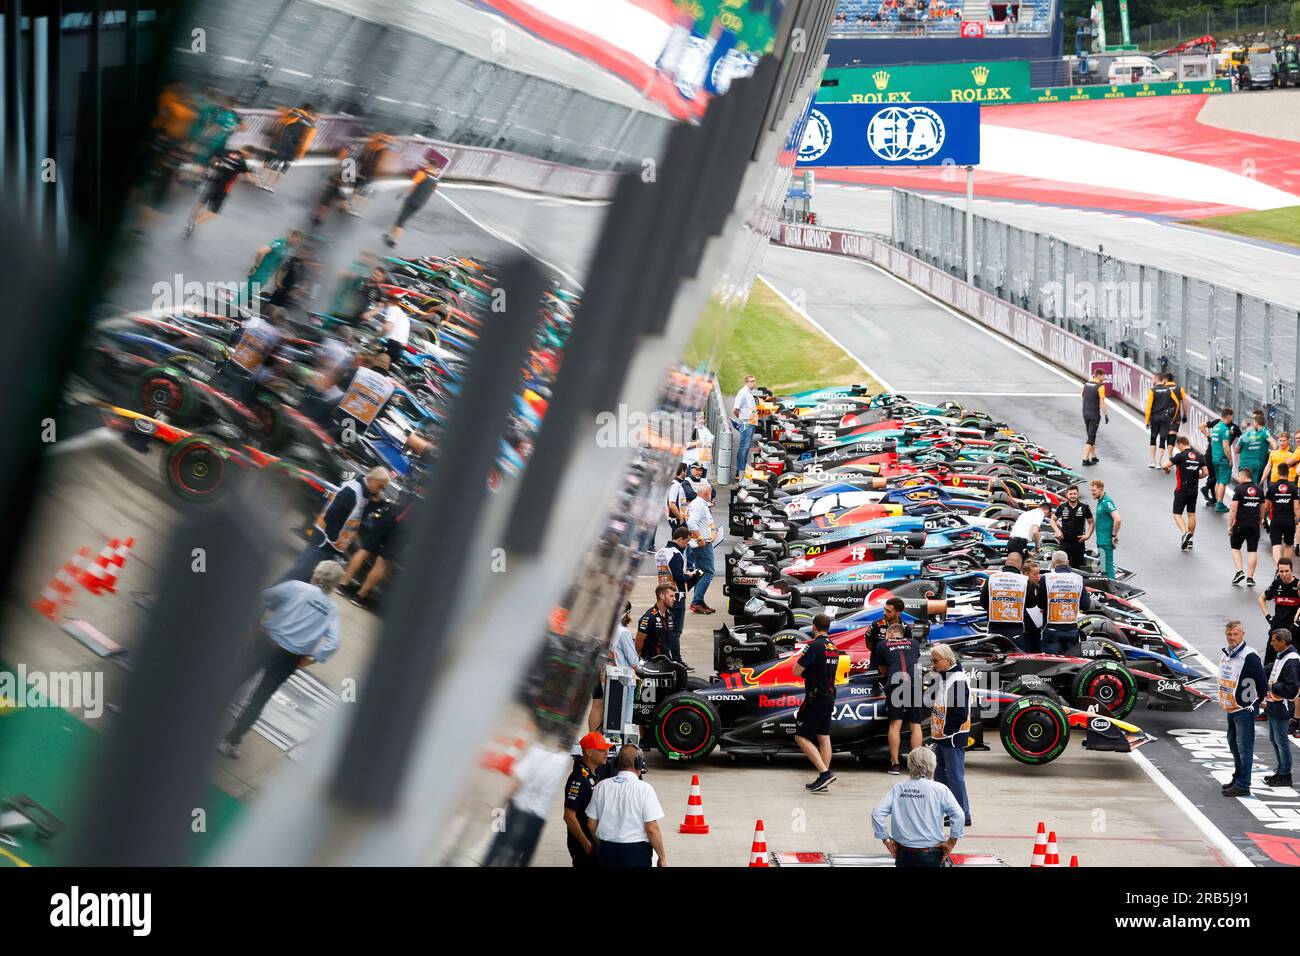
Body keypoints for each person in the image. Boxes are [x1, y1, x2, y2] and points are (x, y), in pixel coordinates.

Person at [218, 560, 344, 758]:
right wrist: (312, 659)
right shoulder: (331, 610)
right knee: (259, 699)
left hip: (266, 643)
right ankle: (231, 741)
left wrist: (254, 625)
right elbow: (334, 642)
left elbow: (263, 598)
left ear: (316, 573)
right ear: (335, 584)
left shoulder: (296, 588)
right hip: (290, 658)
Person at [279, 466, 390, 584]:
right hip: (325, 541)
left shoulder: (365, 495)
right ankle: (269, 597)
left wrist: (375, 503)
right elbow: (331, 515)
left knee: (310, 580)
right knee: (299, 573)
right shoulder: (352, 491)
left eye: (383, 488)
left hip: (334, 545)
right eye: (380, 486)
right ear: (372, 479)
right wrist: (333, 539)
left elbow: (360, 518)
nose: (380, 491)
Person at [481, 742, 573, 867]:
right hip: (538, 818)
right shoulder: (564, 762)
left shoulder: (536, 752)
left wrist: (500, 806)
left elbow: (516, 784)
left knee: (498, 846)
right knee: (523, 857)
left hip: (518, 810)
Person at [871, 747, 965, 868]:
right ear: (933, 765)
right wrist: (951, 843)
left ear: (910, 764)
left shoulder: (899, 788)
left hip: (903, 854)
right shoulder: (940, 790)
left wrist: (887, 840)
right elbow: (959, 816)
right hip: (931, 854)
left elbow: (877, 813)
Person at [585, 745, 667, 867]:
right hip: (636, 852)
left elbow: (591, 824)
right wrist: (662, 857)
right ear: (639, 763)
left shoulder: (601, 786)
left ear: (617, 763)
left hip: (607, 850)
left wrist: (603, 844)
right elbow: (652, 828)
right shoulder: (644, 789)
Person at [792, 614, 841, 793]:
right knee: (823, 736)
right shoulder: (833, 647)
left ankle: (824, 773)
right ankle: (823, 779)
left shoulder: (814, 645)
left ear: (814, 627)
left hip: (815, 697)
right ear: (828, 627)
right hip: (830, 696)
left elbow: (796, 671)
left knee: (800, 736)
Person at [1217, 620, 1266, 797]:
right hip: (1231, 708)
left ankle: (1244, 784)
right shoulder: (1227, 653)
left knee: (1245, 748)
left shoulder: (1249, 656)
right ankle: (1238, 777)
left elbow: (1261, 680)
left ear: (1243, 635)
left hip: (1244, 709)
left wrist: (1259, 701)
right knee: (1233, 744)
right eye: (1229, 634)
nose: (1232, 637)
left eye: (1235, 634)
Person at [928, 642, 972, 827]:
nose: (933, 664)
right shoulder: (946, 677)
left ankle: (963, 814)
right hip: (942, 737)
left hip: (952, 737)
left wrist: (947, 730)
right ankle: (950, 810)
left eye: (935, 661)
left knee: (955, 777)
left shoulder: (958, 680)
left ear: (947, 661)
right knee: (939, 774)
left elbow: (960, 713)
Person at [878, 623, 924, 775]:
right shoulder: (914, 643)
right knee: (915, 725)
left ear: (890, 634)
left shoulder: (882, 645)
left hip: (896, 683)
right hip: (914, 683)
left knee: (895, 724)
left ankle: (895, 764)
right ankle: (917, 766)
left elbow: (883, 670)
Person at [563, 732, 613, 866]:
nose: (606, 752)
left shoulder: (594, 772)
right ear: (589, 752)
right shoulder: (578, 779)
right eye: (602, 750)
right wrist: (585, 843)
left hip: (594, 839)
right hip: (584, 844)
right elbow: (569, 816)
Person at [183, 145, 255, 238]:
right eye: (251, 155)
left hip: (212, 181)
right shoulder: (242, 162)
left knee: (200, 203)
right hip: (223, 188)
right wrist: (255, 180)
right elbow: (247, 178)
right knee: (212, 214)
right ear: (248, 152)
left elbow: (214, 159)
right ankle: (193, 223)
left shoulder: (227, 152)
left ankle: (189, 221)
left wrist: (213, 168)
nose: (250, 157)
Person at [654, 526, 698, 665]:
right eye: (686, 542)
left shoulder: (661, 552)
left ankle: (665, 658)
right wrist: (690, 575)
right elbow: (679, 576)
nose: (686, 545)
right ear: (680, 539)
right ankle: (677, 661)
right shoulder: (676, 554)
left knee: (665, 629)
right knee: (675, 632)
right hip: (676, 596)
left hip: (662, 594)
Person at [1263, 630, 1299, 788]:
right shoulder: (1282, 655)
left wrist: (1273, 687)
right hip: (1274, 705)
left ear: (1283, 642)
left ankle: (1285, 774)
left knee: (1281, 740)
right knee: (1274, 739)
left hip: (1282, 706)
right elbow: (1271, 669)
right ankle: (1280, 770)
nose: (1272, 643)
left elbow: (1292, 687)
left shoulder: (1291, 660)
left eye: (1274, 640)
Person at [258, 103, 317, 192]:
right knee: (284, 168)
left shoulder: (294, 112)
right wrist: (300, 154)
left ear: (303, 108)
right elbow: (306, 141)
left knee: (275, 163)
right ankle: (271, 186)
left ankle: (263, 182)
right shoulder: (312, 123)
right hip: (295, 148)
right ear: (310, 112)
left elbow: (281, 113)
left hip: (283, 142)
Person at [1042, 551, 1091, 655]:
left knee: (1051, 665)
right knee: (1070, 665)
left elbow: (1040, 603)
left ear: (1053, 563)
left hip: (1051, 628)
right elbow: (1086, 605)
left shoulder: (1046, 578)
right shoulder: (1078, 578)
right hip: (1071, 629)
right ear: (1067, 562)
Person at [383, 158, 441, 247]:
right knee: (402, 218)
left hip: (411, 200)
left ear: (430, 165)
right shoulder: (436, 180)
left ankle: (393, 241)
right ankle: (388, 235)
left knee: (401, 220)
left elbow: (412, 186)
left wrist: (402, 193)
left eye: (427, 164)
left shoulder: (422, 174)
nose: (425, 165)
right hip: (421, 203)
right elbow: (433, 191)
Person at [1164, 435, 1208, 551]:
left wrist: (1167, 470)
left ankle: (1185, 534)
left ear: (1181, 444)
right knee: (1191, 515)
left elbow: (1165, 465)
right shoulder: (1199, 455)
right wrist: (1197, 477)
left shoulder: (1180, 455)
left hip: (1181, 488)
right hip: (1194, 489)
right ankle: (1190, 540)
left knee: (1177, 514)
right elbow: (1206, 472)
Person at [978, 551, 1029, 650]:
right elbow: (1031, 603)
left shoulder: (992, 578)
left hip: (994, 628)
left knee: (995, 659)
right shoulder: (1024, 580)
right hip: (1016, 628)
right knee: (1018, 660)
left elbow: (983, 603)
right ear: (1020, 565)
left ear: (1006, 562)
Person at [1227, 465, 1264, 588]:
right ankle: (1250, 578)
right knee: (1252, 551)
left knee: (1235, 547)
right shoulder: (1259, 490)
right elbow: (1262, 509)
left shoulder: (1239, 489)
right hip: (1254, 525)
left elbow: (1233, 508)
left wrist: (1229, 525)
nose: (1238, 478)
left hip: (1240, 525)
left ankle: (1239, 571)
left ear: (1243, 476)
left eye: (1239, 476)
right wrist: (1260, 521)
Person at [1259, 558, 1300, 669]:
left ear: (1292, 570)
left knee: (1292, 666)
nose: (1284, 574)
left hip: (1292, 632)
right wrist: (1268, 617)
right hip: (1276, 630)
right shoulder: (1277, 583)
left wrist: (1297, 621)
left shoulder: (1298, 585)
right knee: (1268, 665)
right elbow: (1261, 599)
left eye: (1287, 571)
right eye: (1281, 571)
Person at [686, 480, 719, 614]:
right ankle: (696, 602)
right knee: (708, 573)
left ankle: (699, 600)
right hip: (702, 544)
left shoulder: (698, 503)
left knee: (700, 572)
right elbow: (692, 523)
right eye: (710, 492)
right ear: (707, 493)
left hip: (698, 544)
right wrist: (700, 538)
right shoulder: (699, 505)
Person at [246, 229, 303, 306]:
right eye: (297, 241)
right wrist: (256, 267)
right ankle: (231, 314)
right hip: (259, 275)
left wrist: (277, 280)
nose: (297, 244)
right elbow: (261, 251)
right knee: (244, 298)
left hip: (264, 277)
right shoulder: (280, 243)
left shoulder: (286, 248)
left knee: (247, 298)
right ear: (293, 236)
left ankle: (234, 314)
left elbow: (279, 265)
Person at [865, 597, 912, 680]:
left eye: (888, 611)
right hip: (876, 666)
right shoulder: (876, 625)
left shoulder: (906, 628)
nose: (884, 613)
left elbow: (908, 650)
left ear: (897, 613)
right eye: (884, 609)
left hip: (896, 668)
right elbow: (869, 644)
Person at [1051, 485, 1093, 571]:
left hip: (1079, 542)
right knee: (1062, 566)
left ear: (1078, 494)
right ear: (1066, 495)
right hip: (1064, 542)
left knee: (1077, 568)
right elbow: (1053, 520)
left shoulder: (1085, 507)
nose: (1073, 496)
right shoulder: (1062, 507)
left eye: (1075, 493)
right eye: (1070, 494)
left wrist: (1088, 535)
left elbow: (1091, 522)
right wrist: (1057, 531)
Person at [1203, 408, 1237, 513]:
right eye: (1232, 416)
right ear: (1228, 416)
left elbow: (1213, 443)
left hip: (1215, 457)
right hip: (1222, 459)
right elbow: (1226, 446)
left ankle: (1218, 501)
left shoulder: (1216, 427)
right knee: (1223, 482)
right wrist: (1230, 459)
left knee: (1218, 480)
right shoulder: (1225, 429)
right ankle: (1220, 503)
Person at [365, 291, 412, 365]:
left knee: (370, 362)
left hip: (393, 345)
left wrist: (376, 337)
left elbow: (387, 327)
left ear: (388, 300)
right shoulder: (401, 313)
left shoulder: (392, 309)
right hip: (399, 348)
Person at [1235, 411, 1274, 499]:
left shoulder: (1245, 435)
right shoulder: (1262, 433)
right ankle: (1256, 504)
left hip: (1244, 464)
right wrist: (1273, 452)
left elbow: (1237, 450)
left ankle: (1241, 502)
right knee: (1256, 486)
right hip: (1257, 464)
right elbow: (1273, 443)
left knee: (1242, 485)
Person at [1264, 468, 1298, 562]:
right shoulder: (1293, 488)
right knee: (1288, 545)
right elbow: (1296, 507)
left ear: (1278, 473)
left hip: (1276, 520)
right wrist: (1298, 519)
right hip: (1289, 521)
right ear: (1288, 473)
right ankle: (1287, 569)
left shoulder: (1272, 488)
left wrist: (1264, 517)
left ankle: (1279, 569)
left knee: (1276, 546)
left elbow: (1266, 506)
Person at [1144, 373, 1178, 468]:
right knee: (1163, 439)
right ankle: (1159, 462)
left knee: (1153, 438)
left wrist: (1146, 420)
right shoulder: (1168, 390)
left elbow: (1149, 407)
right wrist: (1173, 417)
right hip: (1165, 417)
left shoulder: (1152, 390)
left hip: (1155, 417)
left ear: (1156, 379)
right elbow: (1176, 403)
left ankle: (1152, 461)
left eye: (1153, 379)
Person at [635, 584, 676, 661]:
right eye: (671, 596)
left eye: (674, 596)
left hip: (666, 661)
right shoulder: (649, 617)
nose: (674, 599)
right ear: (662, 596)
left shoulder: (670, 615)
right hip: (652, 662)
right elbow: (638, 643)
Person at [1091, 479, 1122, 580]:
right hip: (1101, 540)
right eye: (1091, 490)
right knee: (1104, 569)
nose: (1092, 493)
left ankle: (1113, 591)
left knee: (1108, 568)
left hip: (1106, 541)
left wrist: (1113, 535)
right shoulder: (1100, 501)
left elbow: (1118, 519)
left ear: (1101, 489)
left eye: (1094, 491)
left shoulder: (1106, 502)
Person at [732, 373, 759, 479]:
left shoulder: (749, 393)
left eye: (754, 381)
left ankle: (742, 470)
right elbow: (735, 409)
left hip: (751, 423)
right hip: (746, 423)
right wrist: (742, 421)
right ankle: (740, 472)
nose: (754, 383)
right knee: (744, 447)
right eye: (752, 381)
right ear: (746, 382)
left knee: (747, 447)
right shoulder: (742, 393)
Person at [1081, 369, 1107, 466]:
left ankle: (1094, 456)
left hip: (1085, 412)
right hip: (1094, 414)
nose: (1104, 378)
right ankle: (1085, 459)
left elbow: (1082, 396)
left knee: (1090, 435)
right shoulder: (1100, 387)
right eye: (1103, 376)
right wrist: (1106, 414)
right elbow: (1102, 402)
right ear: (1099, 376)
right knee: (1091, 437)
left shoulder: (1086, 384)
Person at [1022, 560, 1048, 653]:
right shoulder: (1023, 588)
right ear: (1026, 574)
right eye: (1035, 574)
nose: (1038, 577)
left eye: (1039, 574)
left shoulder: (1039, 587)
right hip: (1026, 628)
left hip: (1038, 628)